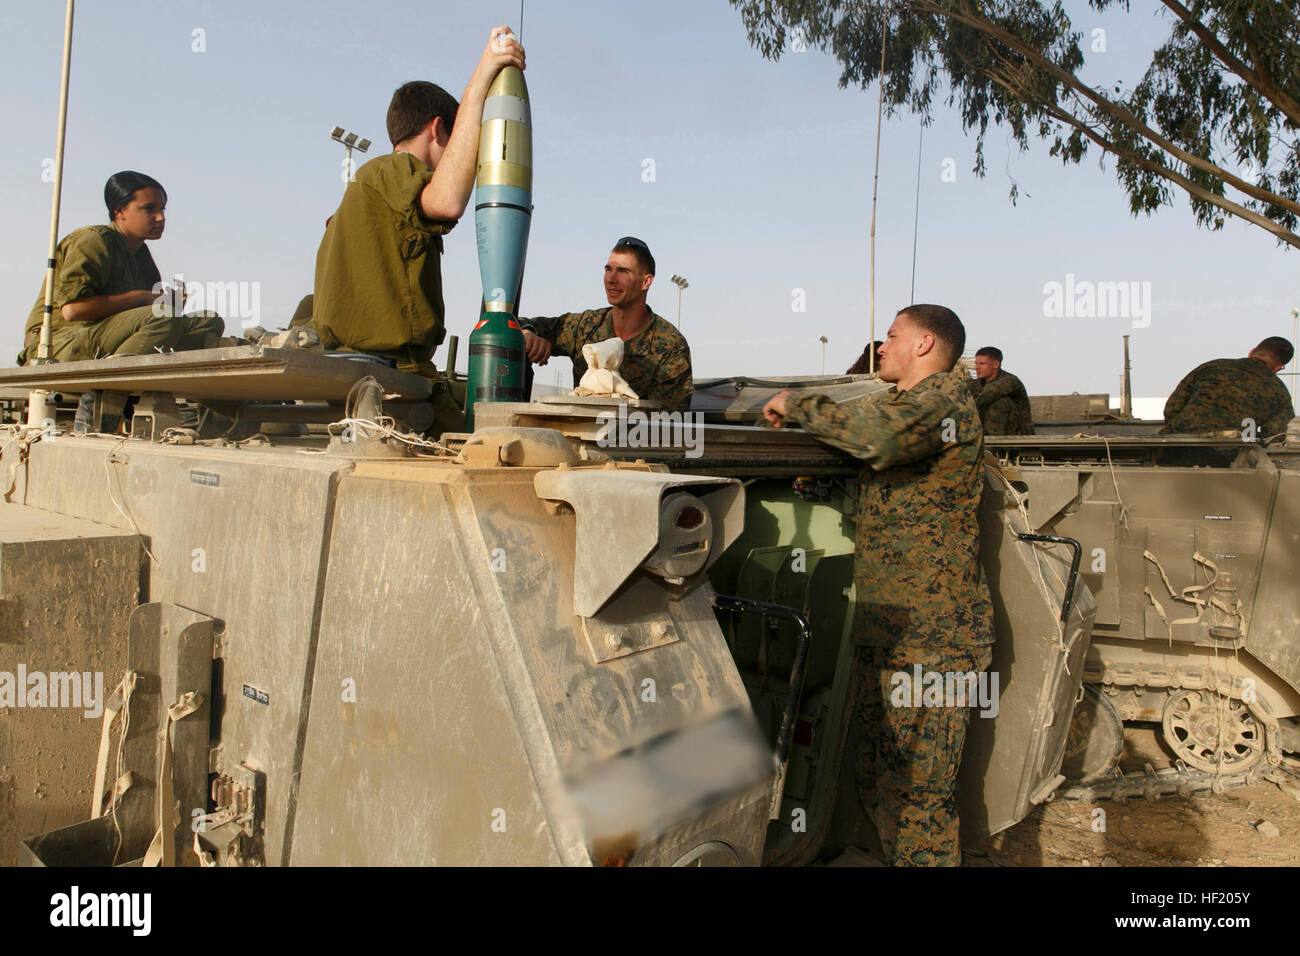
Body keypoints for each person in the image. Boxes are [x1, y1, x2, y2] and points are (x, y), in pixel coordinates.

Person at [762, 304, 995, 867]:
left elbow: (877, 440)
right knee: (879, 780)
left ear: (923, 345)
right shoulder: (900, 404)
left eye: (892, 336)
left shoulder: (943, 402)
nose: (881, 346)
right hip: (889, 628)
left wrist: (797, 403)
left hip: (935, 638)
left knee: (919, 795)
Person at [311, 27, 526, 430]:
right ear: (437, 129)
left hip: (370, 372)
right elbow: (447, 202)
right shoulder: (392, 169)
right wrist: (481, 79)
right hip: (387, 378)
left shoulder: (364, 199)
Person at [17, 171, 224, 365]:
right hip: (60, 341)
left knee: (209, 322)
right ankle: (108, 390)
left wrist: (171, 304)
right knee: (165, 317)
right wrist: (141, 297)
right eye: (149, 209)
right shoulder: (93, 240)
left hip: (105, 336)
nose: (160, 217)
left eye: (162, 209)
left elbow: (147, 316)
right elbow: (73, 310)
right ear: (119, 211)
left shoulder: (141, 254)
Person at [519, 238, 693, 413]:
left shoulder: (670, 346)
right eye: (608, 269)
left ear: (646, 281)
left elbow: (667, 423)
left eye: (623, 271)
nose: (611, 279)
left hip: (634, 438)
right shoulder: (586, 326)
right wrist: (528, 333)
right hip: (579, 432)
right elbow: (511, 322)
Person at [1159, 337, 1295, 440]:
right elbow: (1276, 436)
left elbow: (1172, 408)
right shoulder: (1279, 391)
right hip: (1228, 457)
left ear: (1252, 352)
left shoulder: (1211, 366)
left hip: (1176, 445)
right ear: (1278, 367)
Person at [971, 346, 1034, 435]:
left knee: (999, 402)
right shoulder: (976, 383)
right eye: (976, 363)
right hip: (983, 432)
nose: (977, 367)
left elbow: (987, 396)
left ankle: (993, 446)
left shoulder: (1010, 381)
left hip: (1018, 435)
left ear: (996, 364)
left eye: (982, 364)